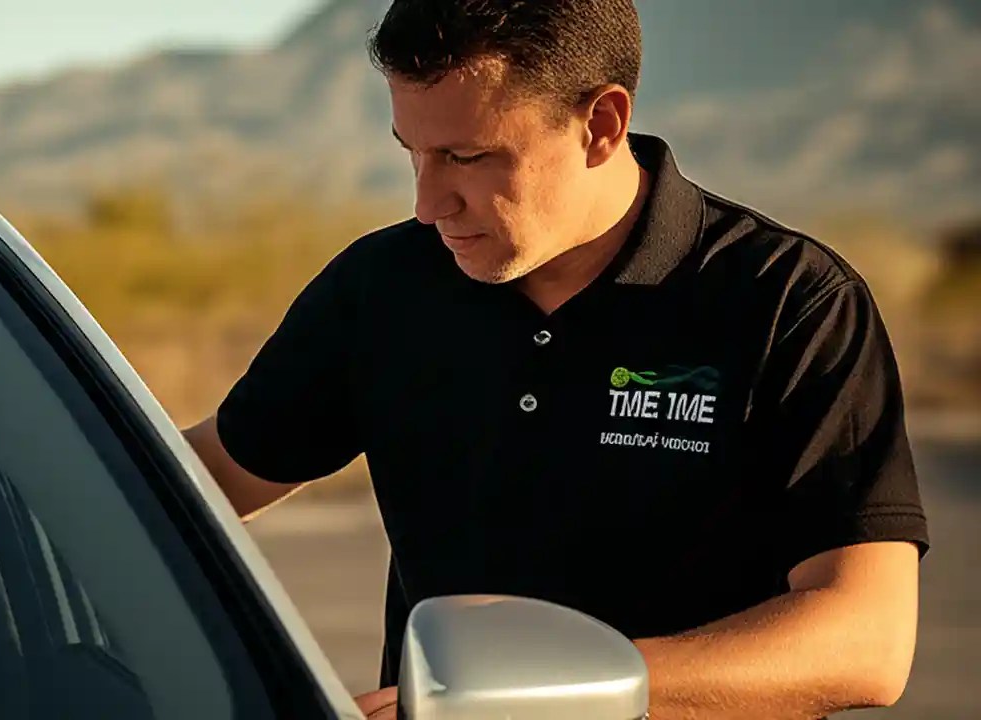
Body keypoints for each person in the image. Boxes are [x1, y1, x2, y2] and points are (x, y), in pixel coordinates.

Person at [182, 1, 930, 717]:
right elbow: (192, 481)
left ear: (601, 125)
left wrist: (533, 695)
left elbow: (865, 641)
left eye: (466, 157)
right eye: (413, 154)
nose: (428, 202)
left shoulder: (788, 302)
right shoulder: (382, 289)